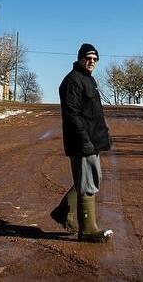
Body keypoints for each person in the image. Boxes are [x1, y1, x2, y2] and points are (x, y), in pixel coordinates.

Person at [50, 43, 113, 242]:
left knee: (92, 178)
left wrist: (104, 134)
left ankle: (63, 211)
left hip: (92, 140)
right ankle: (87, 229)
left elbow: (92, 113)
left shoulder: (88, 79)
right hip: (82, 141)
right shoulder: (74, 80)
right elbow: (73, 114)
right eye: (88, 58)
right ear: (80, 58)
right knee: (87, 182)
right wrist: (84, 139)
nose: (91, 62)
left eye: (95, 59)